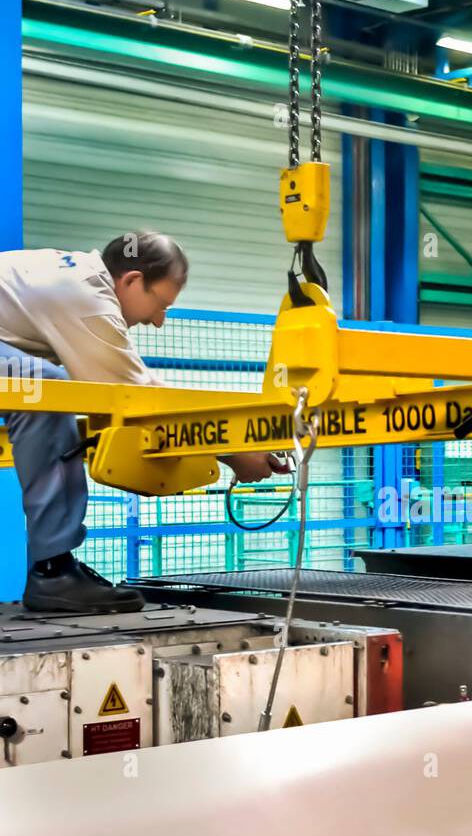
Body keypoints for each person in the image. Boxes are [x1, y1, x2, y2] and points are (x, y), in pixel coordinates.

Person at [0, 234, 283, 614]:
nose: (158, 321)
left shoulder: (70, 276)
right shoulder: (86, 299)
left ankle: (56, 566)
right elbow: (137, 399)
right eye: (160, 304)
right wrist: (235, 448)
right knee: (42, 390)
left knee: (41, 386)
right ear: (132, 280)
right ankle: (53, 573)